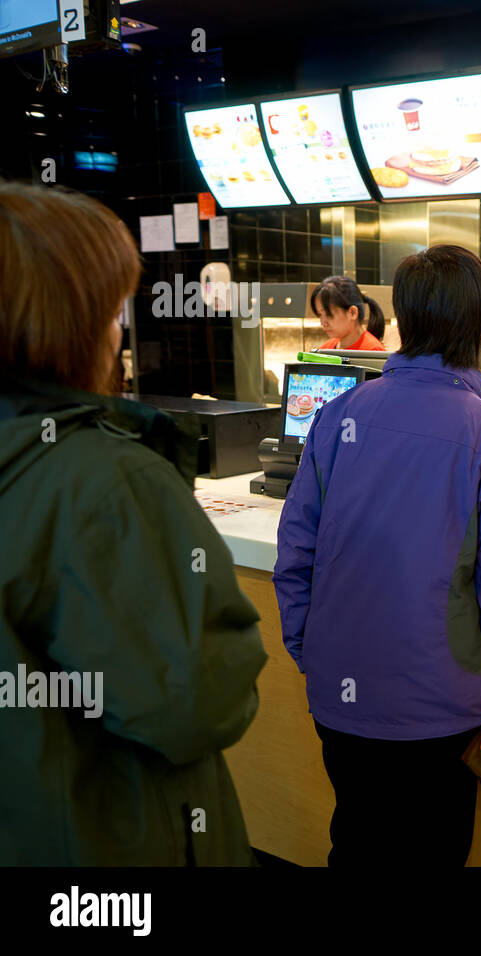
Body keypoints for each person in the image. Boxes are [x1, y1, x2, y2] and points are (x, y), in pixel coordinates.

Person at [0, 182, 267, 865]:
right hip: (107, 841)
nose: (120, 329)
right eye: (113, 307)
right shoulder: (105, 478)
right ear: (64, 319)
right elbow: (198, 697)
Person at [274, 244, 481, 867]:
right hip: (439, 712)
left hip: (339, 700)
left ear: (401, 317)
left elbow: (296, 551)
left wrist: (308, 649)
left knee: (355, 843)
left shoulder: (338, 415)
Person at [313, 274, 387, 351]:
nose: (323, 322)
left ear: (352, 313)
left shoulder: (373, 351)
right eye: (320, 315)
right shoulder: (326, 349)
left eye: (329, 314)